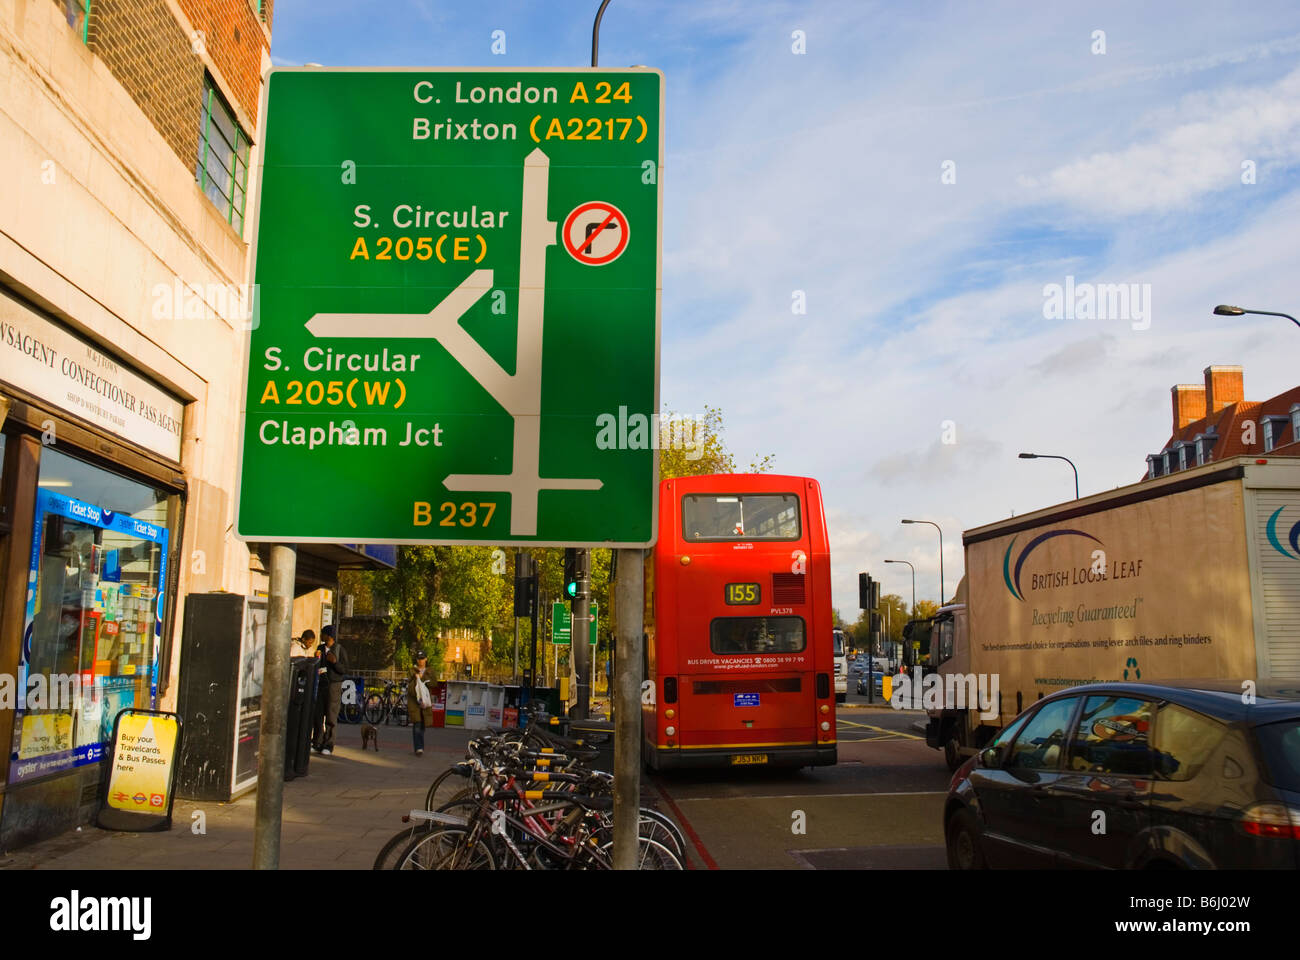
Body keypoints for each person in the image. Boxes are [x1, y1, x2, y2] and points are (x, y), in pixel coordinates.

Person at [312, 625, 349, 755]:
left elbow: (344, 669)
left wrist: (334, 662)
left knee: (331, 715)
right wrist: (315, 659)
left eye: (323, 633)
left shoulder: (339, 650)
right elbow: (317, 666)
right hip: (321, 684)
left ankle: (328, 744)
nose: (321, 635)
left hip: (334, 685)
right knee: (318, 714)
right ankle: (317, 742)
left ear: (329, 636)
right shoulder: (320, 648)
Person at [407, 651, 434, 756]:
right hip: (415, 703)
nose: (420, 661)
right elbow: (410, 688)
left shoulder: (430, 671)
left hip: (426, 702)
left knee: (422, 725)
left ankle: (420, 747)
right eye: (419, 658)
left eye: (422, 658)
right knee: (417, 723)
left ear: (426, 659)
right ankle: (418, 748)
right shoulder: (412, 671)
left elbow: (434, 683)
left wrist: (423, 677)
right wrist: (416, 677)